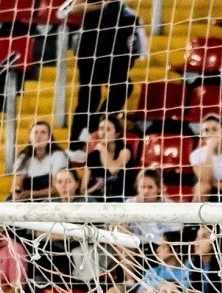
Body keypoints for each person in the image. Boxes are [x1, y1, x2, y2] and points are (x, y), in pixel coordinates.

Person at [67, 0, 143, 147]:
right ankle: (75, 143)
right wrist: (101, 6)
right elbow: (74, 7)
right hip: (89, 46)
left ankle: (94, 128)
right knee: (90, 95)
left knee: (123, 87)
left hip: (110, 46)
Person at [10, 121, 72, 201]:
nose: (38, 136)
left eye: (43, 132)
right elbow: (16, 183)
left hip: (50, 198)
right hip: (27, 196)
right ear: (30, 138)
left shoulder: (58, 156)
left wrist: (32, 194)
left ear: (49, 138)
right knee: (8, 201)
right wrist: (17, 191)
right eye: (35, 132)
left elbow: (57, 188)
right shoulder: (23, 157)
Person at [83, 114, 134, 201]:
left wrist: (102, 149)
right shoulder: (92, 156)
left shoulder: (125, 150)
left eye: (108, 129)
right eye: (101, 128)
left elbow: (113, 169)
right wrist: (95, 187)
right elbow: (82, 190)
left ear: (117, 134)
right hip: (98, 201)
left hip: (121, 199)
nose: (103, 133)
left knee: (116, 182)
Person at [125, 168, 178, 241]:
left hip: (159, 245)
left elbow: (175, 232)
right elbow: (122, 226)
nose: (146, 191)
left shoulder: (170, 207)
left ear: (159, 189)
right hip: (136, 245)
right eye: (142, 187)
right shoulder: (130, 203)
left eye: (150, 187)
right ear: (137, 188)